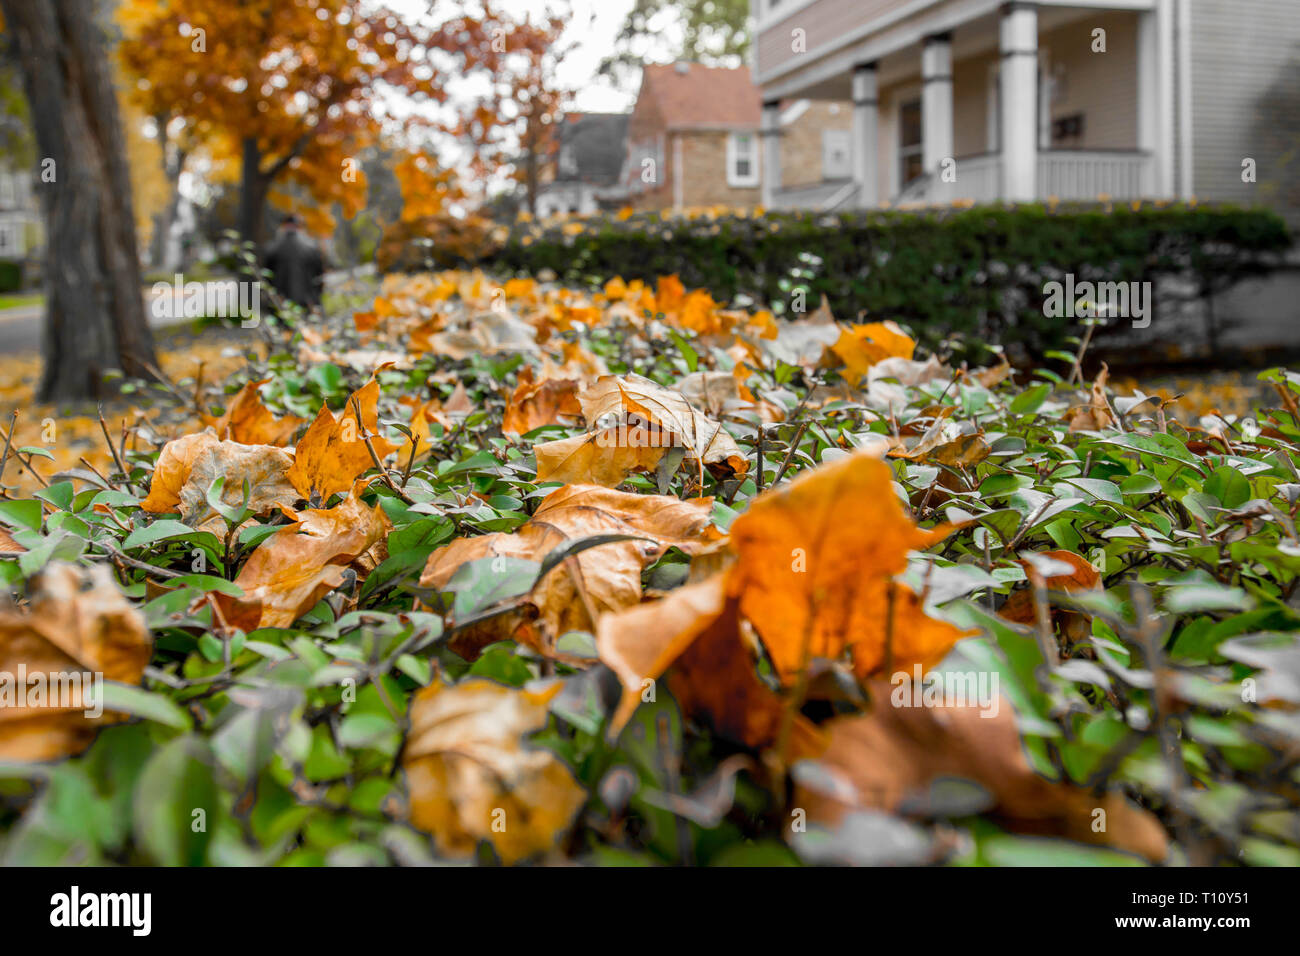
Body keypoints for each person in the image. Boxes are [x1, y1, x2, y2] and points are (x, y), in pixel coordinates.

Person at [263, 213, 324, 312]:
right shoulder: (312, 247)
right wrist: (315, 299)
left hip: (280, 302)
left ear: (283, 226)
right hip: (305, 302)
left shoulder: (273, 247)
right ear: (299, 227)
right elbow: (319, 277)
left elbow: (267, 277)